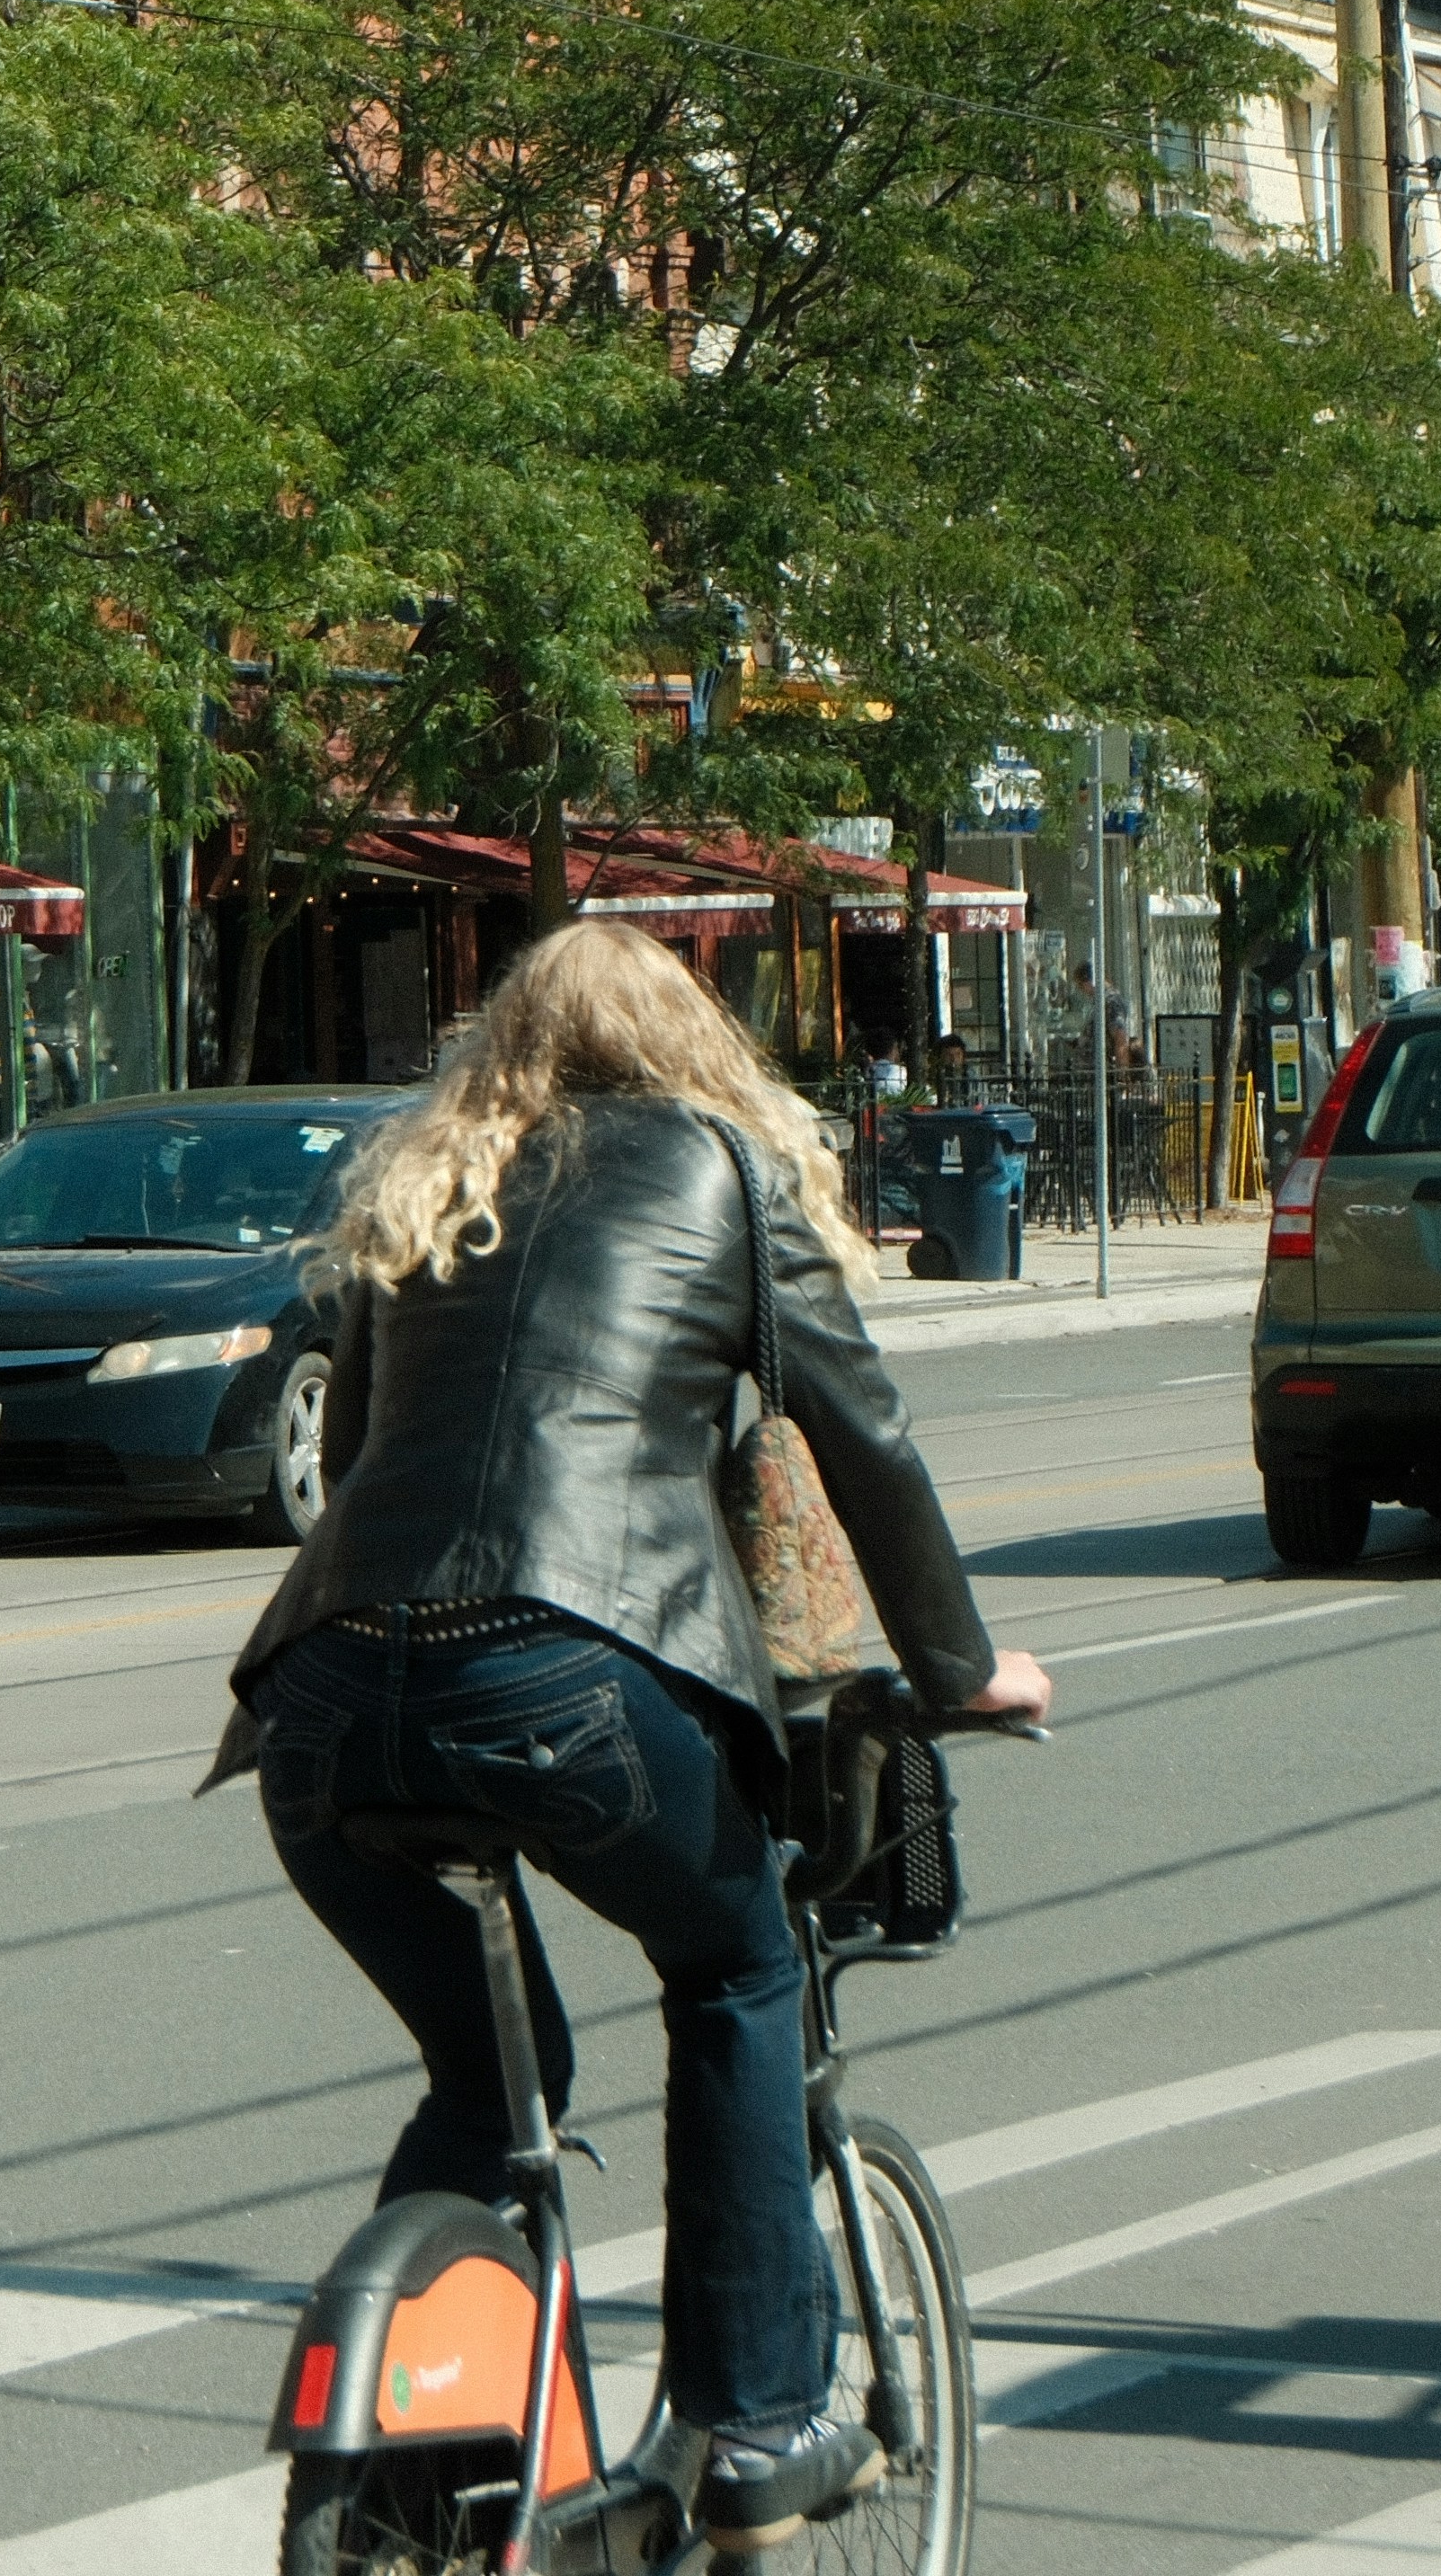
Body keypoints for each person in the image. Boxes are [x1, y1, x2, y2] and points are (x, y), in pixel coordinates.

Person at [218, 925, 1052, 2554]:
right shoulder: (725, 1173)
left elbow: (392, 1460)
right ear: (692, 1036)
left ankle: (409, 2486)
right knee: (735, 1964)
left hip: (314, 1701)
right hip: (564, 1672)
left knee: (481, 2068)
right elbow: (859, 1435)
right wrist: (956, 1668)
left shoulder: (427, 1188)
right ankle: (752, 2417)